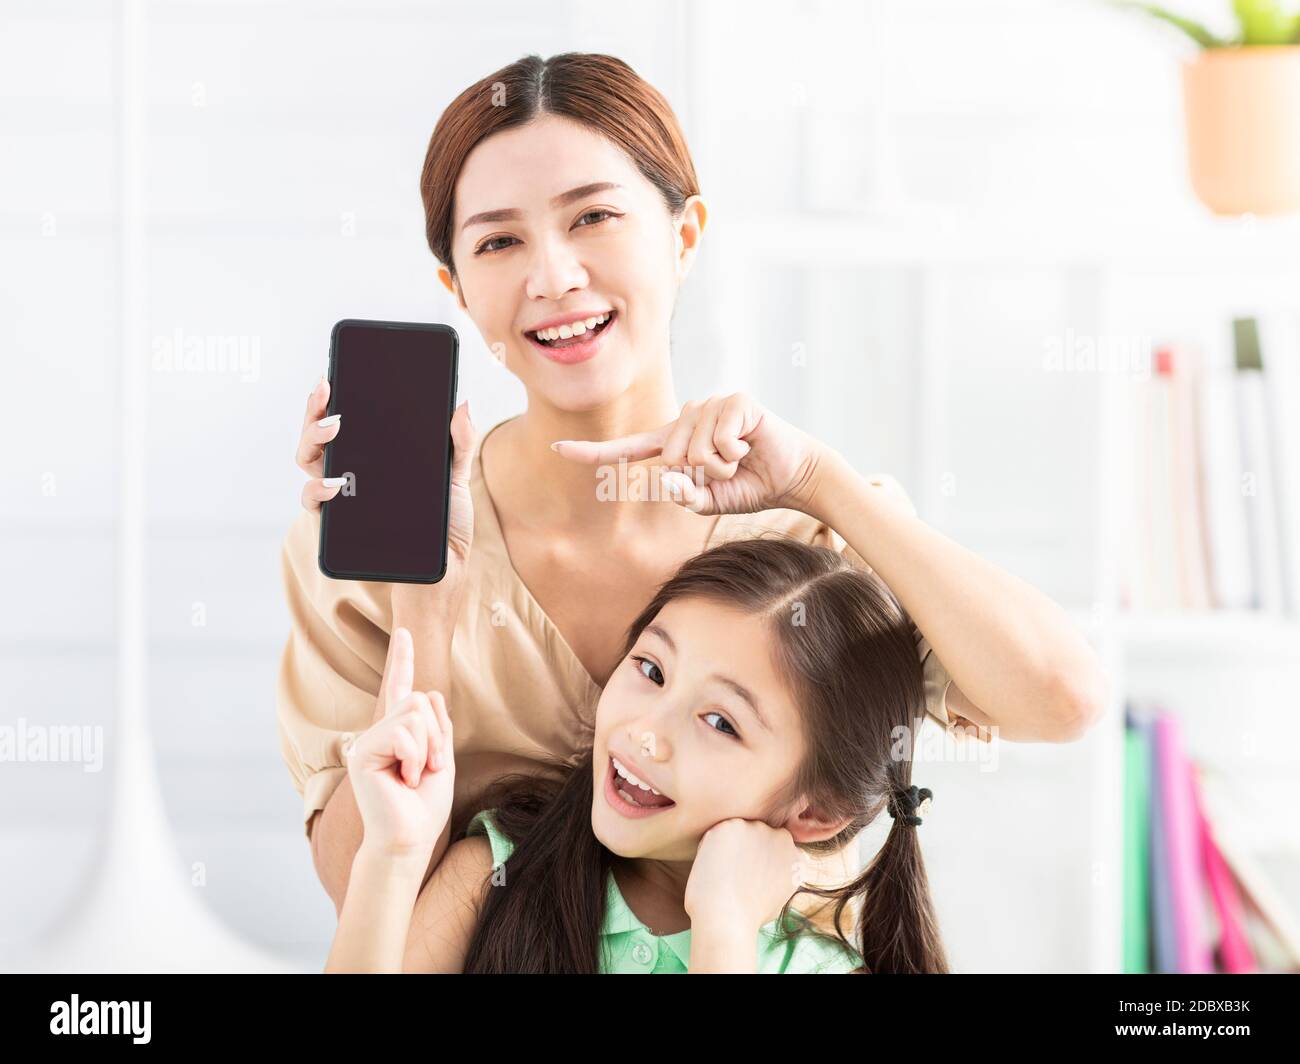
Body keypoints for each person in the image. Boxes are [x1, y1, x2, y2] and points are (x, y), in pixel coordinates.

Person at [279, 52, 1108, 931]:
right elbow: (362, 897)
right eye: (497, 241)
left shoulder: (808, 539)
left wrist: (821, 484)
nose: (553, 276)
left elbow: (1061, 699)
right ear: (458, 289)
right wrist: (427, 624)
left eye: (593, 216)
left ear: (683, 235)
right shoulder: (376, 552)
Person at [326, 538, 947, 973]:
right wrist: (393, 856)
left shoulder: (815, 969)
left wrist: (724, 932)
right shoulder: (495, 876)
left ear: (814, 813)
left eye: (719, 722)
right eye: (651, 669)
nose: (647, 731)